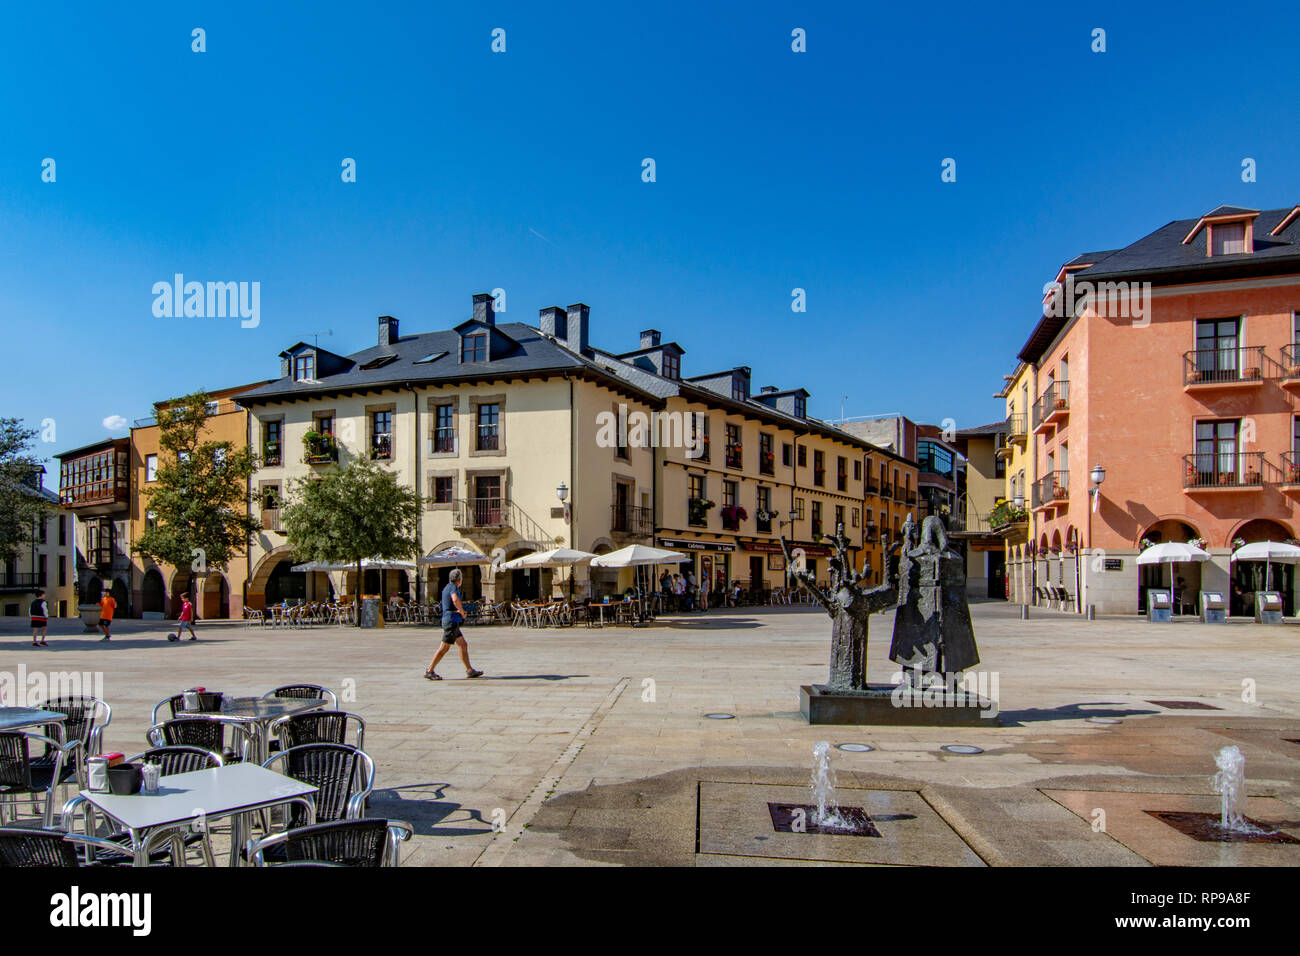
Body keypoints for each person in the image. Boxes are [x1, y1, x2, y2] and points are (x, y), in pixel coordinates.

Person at [425, 569, 483, 681]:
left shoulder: (446, 587)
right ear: (460, 580)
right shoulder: (453, 587)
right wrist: (461, 611)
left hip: (452, 621)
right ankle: (429, 670)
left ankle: (469, 670)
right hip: (451, 621)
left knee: (463, 644)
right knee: (444, 648)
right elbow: (455, 599)